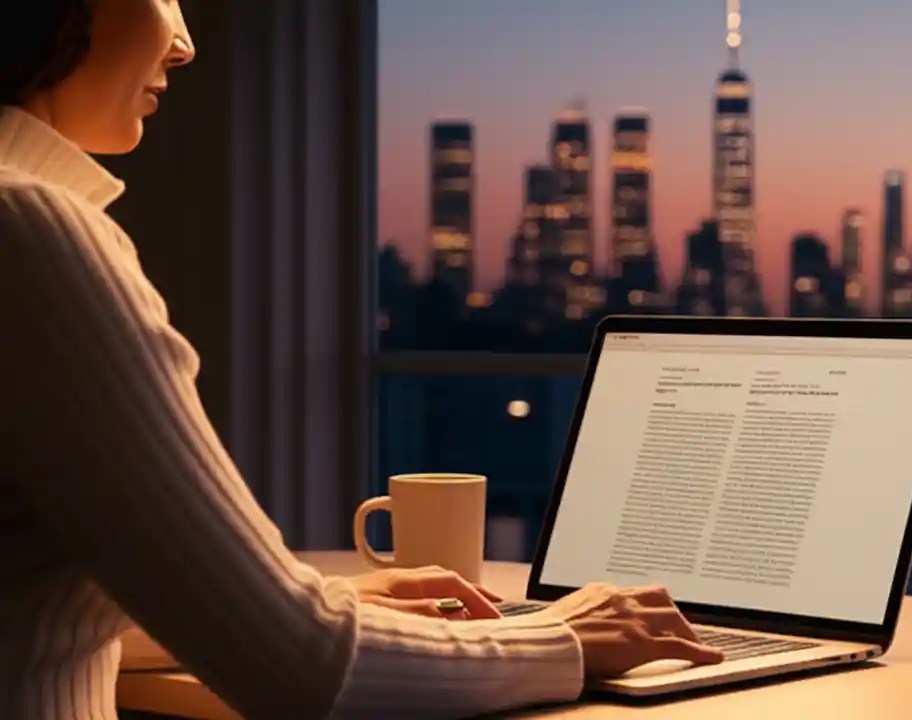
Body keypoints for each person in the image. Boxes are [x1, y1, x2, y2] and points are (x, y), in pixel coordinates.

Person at [0, 1, 722, 718]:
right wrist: (564, 635)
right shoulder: (29, 232)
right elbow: (299, 669)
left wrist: (321, 603)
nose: (185, 43)